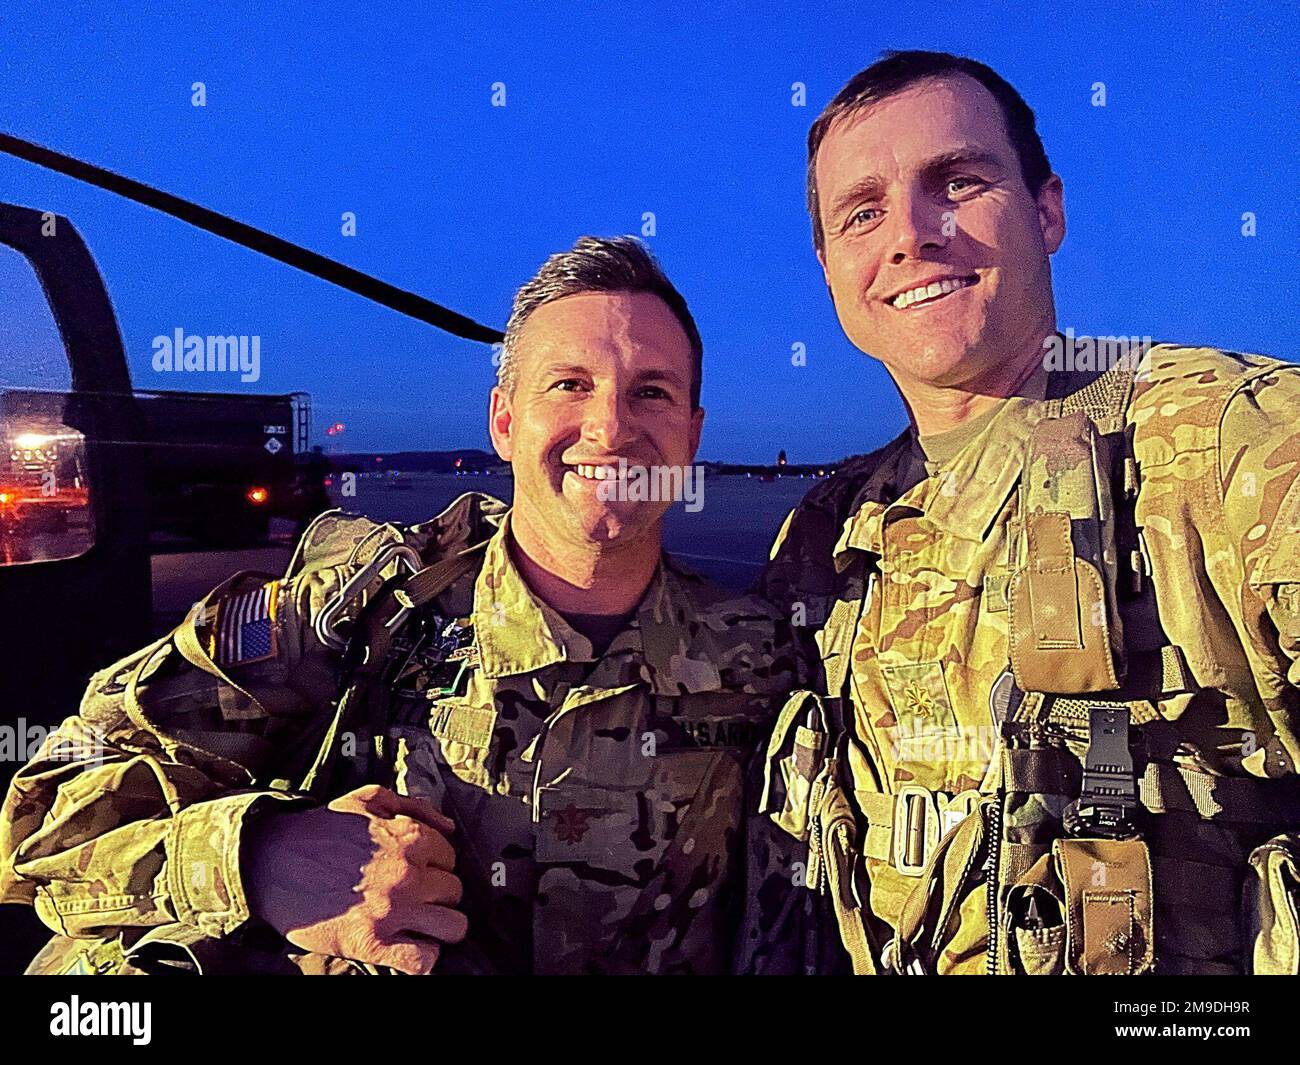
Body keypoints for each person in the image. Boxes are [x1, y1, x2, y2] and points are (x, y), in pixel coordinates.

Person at [0, 235, 802, 975]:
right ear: (504, 419)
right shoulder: (355, 613)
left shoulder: (766, 659)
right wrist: (255, 856)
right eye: (570, 384)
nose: (611, 426)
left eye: (651, 392)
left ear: (692, 434)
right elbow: (38, 821)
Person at [744, 50, 1300, 976]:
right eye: (863, 211)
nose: (911, 235)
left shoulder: (1221, 447)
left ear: (1048, 211)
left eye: (957, 181)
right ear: (832, 270)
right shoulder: (826, 538)